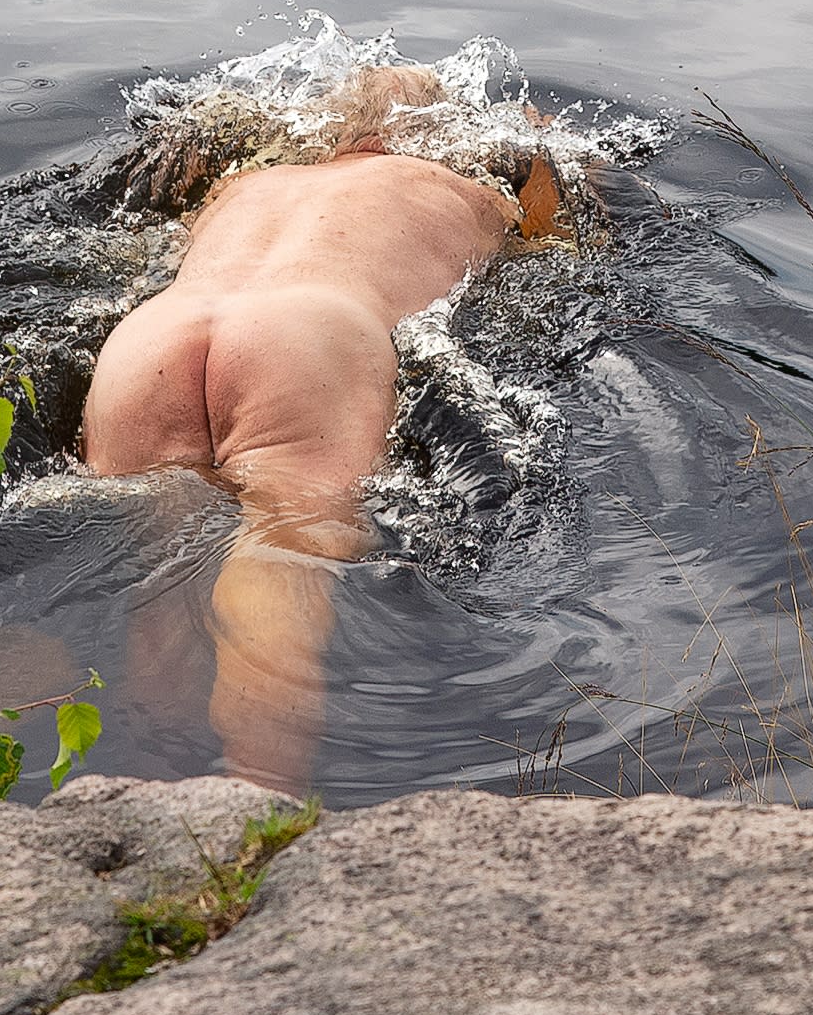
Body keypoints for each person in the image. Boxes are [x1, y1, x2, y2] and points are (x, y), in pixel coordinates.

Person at [75, 63, 561, 787]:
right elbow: (561, 242)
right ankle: (257, 800)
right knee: (282, 553)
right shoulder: (462, 191)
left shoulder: (238, 190)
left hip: (148, 344)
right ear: (441, 135)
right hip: (308, 336)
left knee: (157, 579)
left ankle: (145, 783)